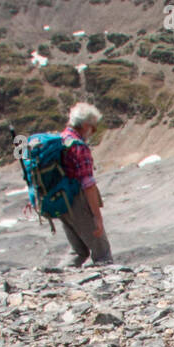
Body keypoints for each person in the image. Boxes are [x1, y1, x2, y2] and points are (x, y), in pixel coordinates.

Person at [60, 103, 114, 266]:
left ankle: (57, 283)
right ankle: (108, 288)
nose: (93, 132)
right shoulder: (78, 147)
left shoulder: (60, 140)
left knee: (78, 251)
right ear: (84, 125)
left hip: (62, 203)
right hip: (78, 203)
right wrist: (97, 217)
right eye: (93, 127)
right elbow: (88, 185)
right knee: (103, 253)